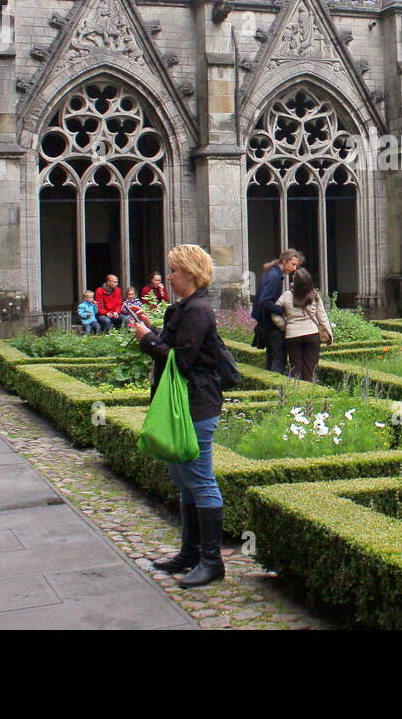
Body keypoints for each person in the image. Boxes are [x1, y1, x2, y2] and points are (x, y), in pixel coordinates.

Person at [133, 245, 227, 586]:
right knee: (185, 482)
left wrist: (147, 341)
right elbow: (174, 350)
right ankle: (189, 554)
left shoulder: (198, 309)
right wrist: (151, 330)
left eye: (173, 270)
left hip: (196, 405)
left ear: (190, 273)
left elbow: (181, 361)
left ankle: (211, 561)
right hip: (183, 405)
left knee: (201, 481)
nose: (168, 276)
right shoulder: (186, 308)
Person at [271, 267, 333, 382]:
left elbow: (274, 314)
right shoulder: (314, 295)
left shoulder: (286, 295)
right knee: (310, 369)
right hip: (312, 334)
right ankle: (309, 395)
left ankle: (297, 394)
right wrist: (329, 334)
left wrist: (285, 326)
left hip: (293, 336)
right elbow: (322, 316)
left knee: (295, 370)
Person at [250, 249, 299, 374]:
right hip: (270, 324)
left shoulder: (272, 272)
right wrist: (282, 310)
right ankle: (276, 390)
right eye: (293, 264)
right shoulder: (275, 277)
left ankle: (269, 386)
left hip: (265, 323)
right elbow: (264, 301)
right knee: (279, 359)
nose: (294, 269)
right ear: (285, 261)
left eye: (296, 266)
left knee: (271, 357)